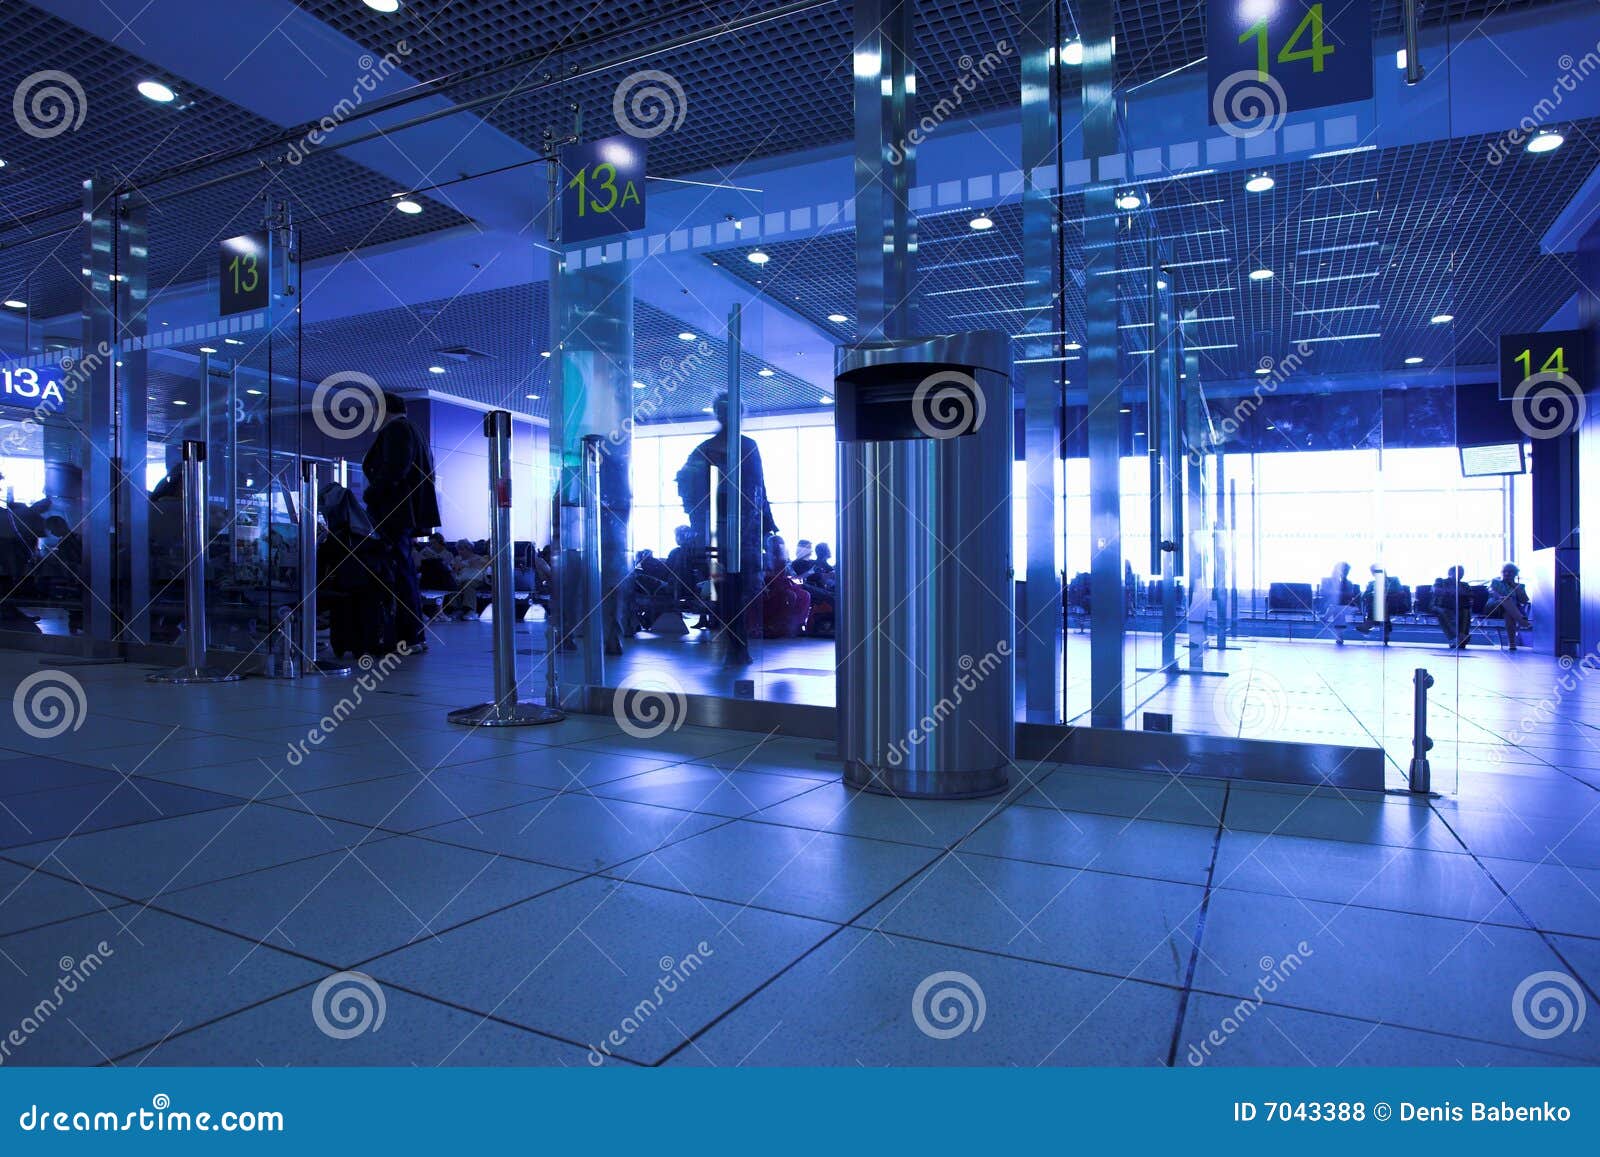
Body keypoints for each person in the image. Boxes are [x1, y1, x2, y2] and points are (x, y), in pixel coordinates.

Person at [676, 392, 778, 665]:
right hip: (722, 531)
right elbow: (687, 486)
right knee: (727, 588)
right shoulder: (712, 448)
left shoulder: (735, 447)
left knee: (737, 587)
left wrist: (766, 526)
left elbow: (759, 490)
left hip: (736, 531)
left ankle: (737, 641)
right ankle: (736, 642)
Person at [361, 391, 440, 651]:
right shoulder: (414, 431)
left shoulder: (397, 430)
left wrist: (371, 493)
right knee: (403, 571)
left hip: (395, 512)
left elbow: (396, 468)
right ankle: (410, 634)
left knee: (400, 572)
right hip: (405, 512)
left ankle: (408, 635)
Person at [759, 534, 811, 638]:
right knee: (790, 595)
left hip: (784, 584)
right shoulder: (764, 558)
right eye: (778, 545)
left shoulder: (785, 560)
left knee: (805, 595)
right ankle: (778, 625)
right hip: (771, 587)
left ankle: (797, 625)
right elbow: (763, 576)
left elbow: (793, 575)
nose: (780, 547)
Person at [1488, 563, 1532, 651]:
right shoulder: (1495, 581)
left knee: (1508, 613)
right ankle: (1523, 622)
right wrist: (1501, 597)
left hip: (1511, 611)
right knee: (1505, 600)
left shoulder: (1519, 586)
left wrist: (1515, 586)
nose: (1507, 574)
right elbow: (1492, 592)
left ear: (1515, 574)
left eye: (1510, 572)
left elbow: (1524, 600)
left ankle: (1512, 644)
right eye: (1505, 571)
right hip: (1494, 608)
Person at [1354, 564, 1401, 643]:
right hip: (1377, 605)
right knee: (1380, 606)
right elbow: (1365, 595)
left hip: (1392, 603)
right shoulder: (1371, 583)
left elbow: (1400, 593)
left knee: (1381, 604)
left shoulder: (1393, 580)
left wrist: (1385, 595)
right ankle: (1384, 633)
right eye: (1373, 572)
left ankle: (1369, 624)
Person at [1432, 565, 1473, 649]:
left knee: (1466, 612)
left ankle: (1459, 638)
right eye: (1458, 572)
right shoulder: (1440, 581)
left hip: (1459, 607)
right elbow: (1436, 590)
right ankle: (1459, 637)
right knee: (1443, 612)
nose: (1460, 575)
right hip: (1439, 606)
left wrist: (1450, 592)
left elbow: (1469, 594)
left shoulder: (1464, 584)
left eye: (1462, 573)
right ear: (1450, 573)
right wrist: (1455, 592)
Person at [802, 542, 837, 637]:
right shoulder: (814, 565)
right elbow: (802, 578)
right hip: (817, 591)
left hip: (820, 590)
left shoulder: (827, 567)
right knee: (833, 598)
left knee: (833, 597)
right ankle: (834, 626)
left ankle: (832, 626)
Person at [1319, 561, 1358, 645]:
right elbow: (1324, 593)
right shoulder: (1329, 581)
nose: (1345, 573)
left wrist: (1337, 593)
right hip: (1337, 606)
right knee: (1338, 611)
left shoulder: (1348, 583)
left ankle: (1326, 618)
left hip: (1344, 606)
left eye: (1346, 571)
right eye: (1344, 570)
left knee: (1337, 610)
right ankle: (1339, 637)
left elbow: (1349, 596)